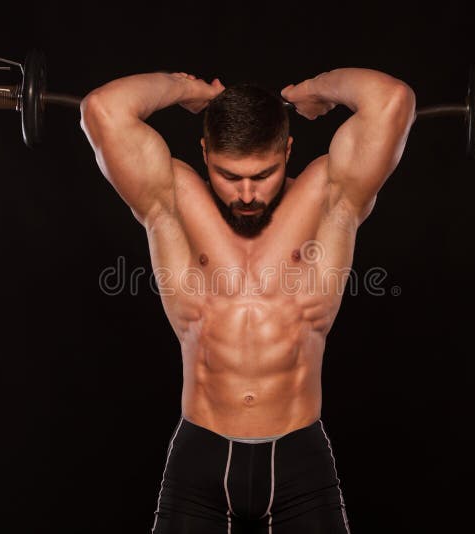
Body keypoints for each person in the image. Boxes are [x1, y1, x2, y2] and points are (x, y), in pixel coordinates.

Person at [79, 67, 415, 533]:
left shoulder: (328, 197)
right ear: (205, 153)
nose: (247, 194)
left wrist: (312, 92)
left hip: (300, 460)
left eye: (264, 174)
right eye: (228, 175)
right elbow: (102, 109)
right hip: (200, 456)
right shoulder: (174, 200)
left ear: (287, 152)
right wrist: (190, 90)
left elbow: (392, 100)